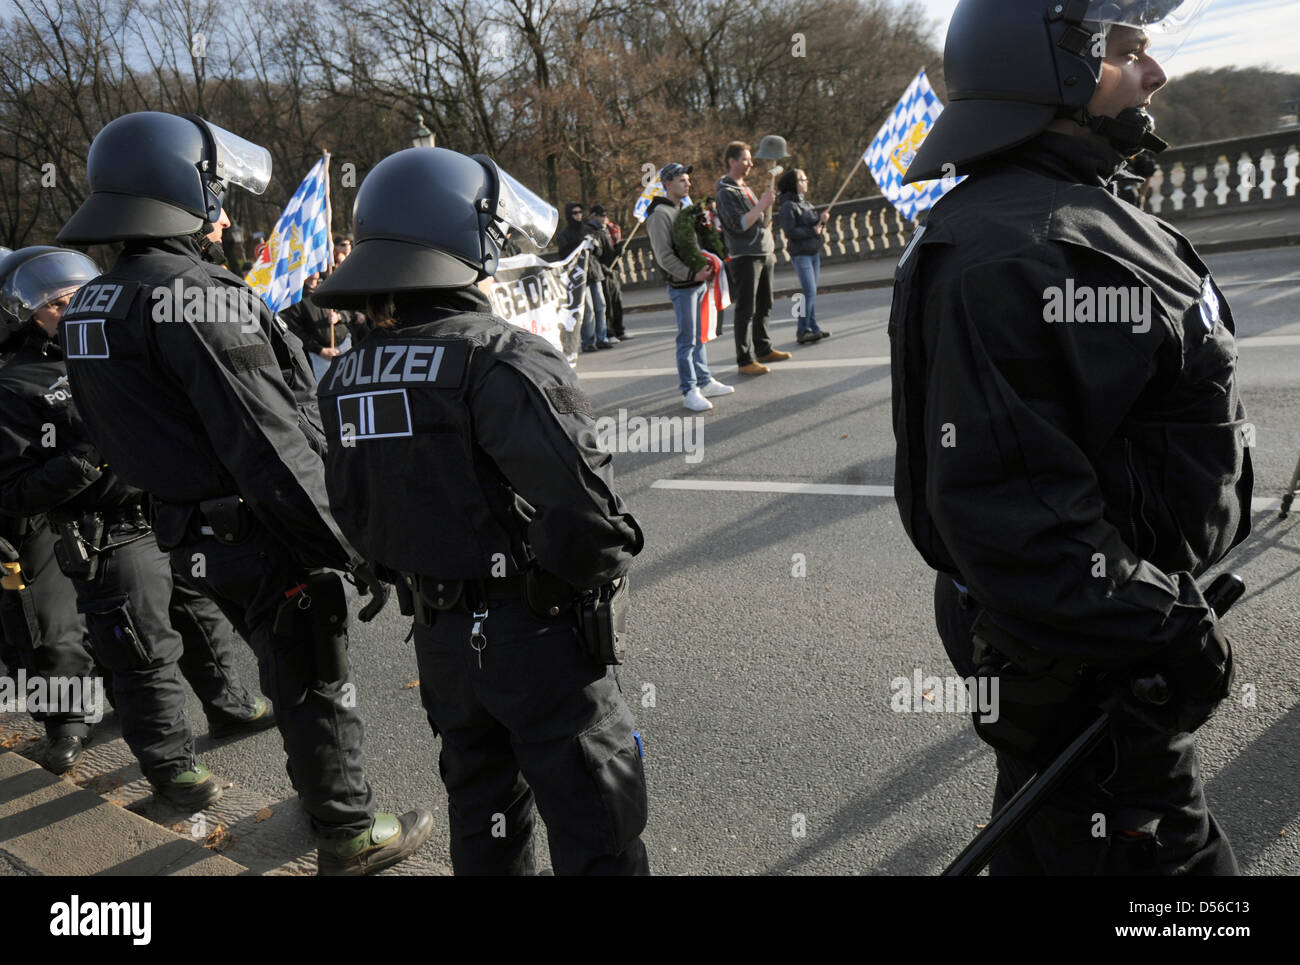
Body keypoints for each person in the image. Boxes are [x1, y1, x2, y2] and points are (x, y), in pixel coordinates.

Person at [891, 0, 1249, 875]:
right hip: (1094, 664)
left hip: (1099, 647)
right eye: (1129, 55)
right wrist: (1161, 627)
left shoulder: (1071, 211)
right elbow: (1018, 515)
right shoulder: (1015, 249)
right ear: (1046, 73)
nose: (1154, 74)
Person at [56, 110, 432, 875]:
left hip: (189, 533)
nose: (225, 214)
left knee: (281, 668)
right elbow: (270, 443)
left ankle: (316, 792)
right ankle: (348, 830)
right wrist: (353, 545)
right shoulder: (195, 296)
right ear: (173, 191)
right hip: (261, 529)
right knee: (315, 677)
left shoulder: (94, 302)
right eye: (213, 195)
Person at [311, 145, 651, 875]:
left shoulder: (345, 375)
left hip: (440, 639)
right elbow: (588, 520)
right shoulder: (501, 355)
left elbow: (354, 512)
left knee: (485, 817)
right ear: (467, 237)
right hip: (536, 637)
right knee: (599, 823)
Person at [0, 246, 274, 788]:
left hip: (165, 513)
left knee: (201, 619)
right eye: (56, 303)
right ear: (28, 316)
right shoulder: (16, 385)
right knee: (143, 651)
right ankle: (174, 775)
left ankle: (231, 706)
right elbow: (15, 491)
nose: (72, 308)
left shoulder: (113, 350)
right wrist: (90, 455)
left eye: (79, 295)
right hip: (104, 533)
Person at [647, 163, 735, 412]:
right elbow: (664, 256)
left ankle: (704, 381)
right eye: (681, 180)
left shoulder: (682, 209)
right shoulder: (659, 215)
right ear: (667, 184)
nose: (688, 184)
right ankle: (689, 390)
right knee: (687, 339)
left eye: (687, 180)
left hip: (697, 281)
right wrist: (690, 273)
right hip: (683, 284)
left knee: (699, 337)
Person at [714, 141, 791, 375]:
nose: (750, 163)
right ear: (732, 161)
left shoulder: (743, 187)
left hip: (762, 251)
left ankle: (763, 347)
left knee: (765, 304)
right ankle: (744, 360)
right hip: (745, 255)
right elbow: (739, 224)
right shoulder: (726, 192)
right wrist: (762, 204)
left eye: (750, 159)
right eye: (746, 159)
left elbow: (758, 220)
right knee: (746, 309)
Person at [776, 168, 831, 344]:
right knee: (808, 292)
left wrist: (821, 220)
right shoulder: (787, 206)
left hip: (813, 252)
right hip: (801, 254)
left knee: (811, 292)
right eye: (802, 179)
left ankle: (813, 327)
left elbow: (814, 226)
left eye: (805, 179)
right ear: (794, 183)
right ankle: (802, 330)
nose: (806, 181)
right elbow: (790, 231)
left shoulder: (806, 204)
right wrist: (812, 230)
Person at [554, 201, 614, 352]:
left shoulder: (588, 230)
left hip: (594, 272)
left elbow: (599, 253)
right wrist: (579, 246)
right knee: (588, 310)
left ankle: (602, 338)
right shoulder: (564, 234)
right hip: (580, 276)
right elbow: (564, 255)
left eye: (580, 212)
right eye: (575, 213)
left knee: (601, 306)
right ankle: (588, 341)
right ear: (569, 215)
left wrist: (595, 246)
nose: (578, 215)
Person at [280, 272, 351, 381]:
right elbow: (296, 331)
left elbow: (348, 308)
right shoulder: (297, 297)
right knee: (327, 387)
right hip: (321, 356)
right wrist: (320, 350)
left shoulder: (331, 282)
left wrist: (339, 316)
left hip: (344, 343)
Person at [589, 204, 628, 341]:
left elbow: (611, 247)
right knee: (608, 304)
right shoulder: (591, 232)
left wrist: (618, 249)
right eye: (601, 215)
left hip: (613, 270)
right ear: (594, 216)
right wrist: (605, 269)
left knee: (617, 301)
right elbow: (594, 255)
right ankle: (609, 332)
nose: (604, 218)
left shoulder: (607, 230)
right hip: (603, 272)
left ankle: (619, 330)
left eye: (605, 215)